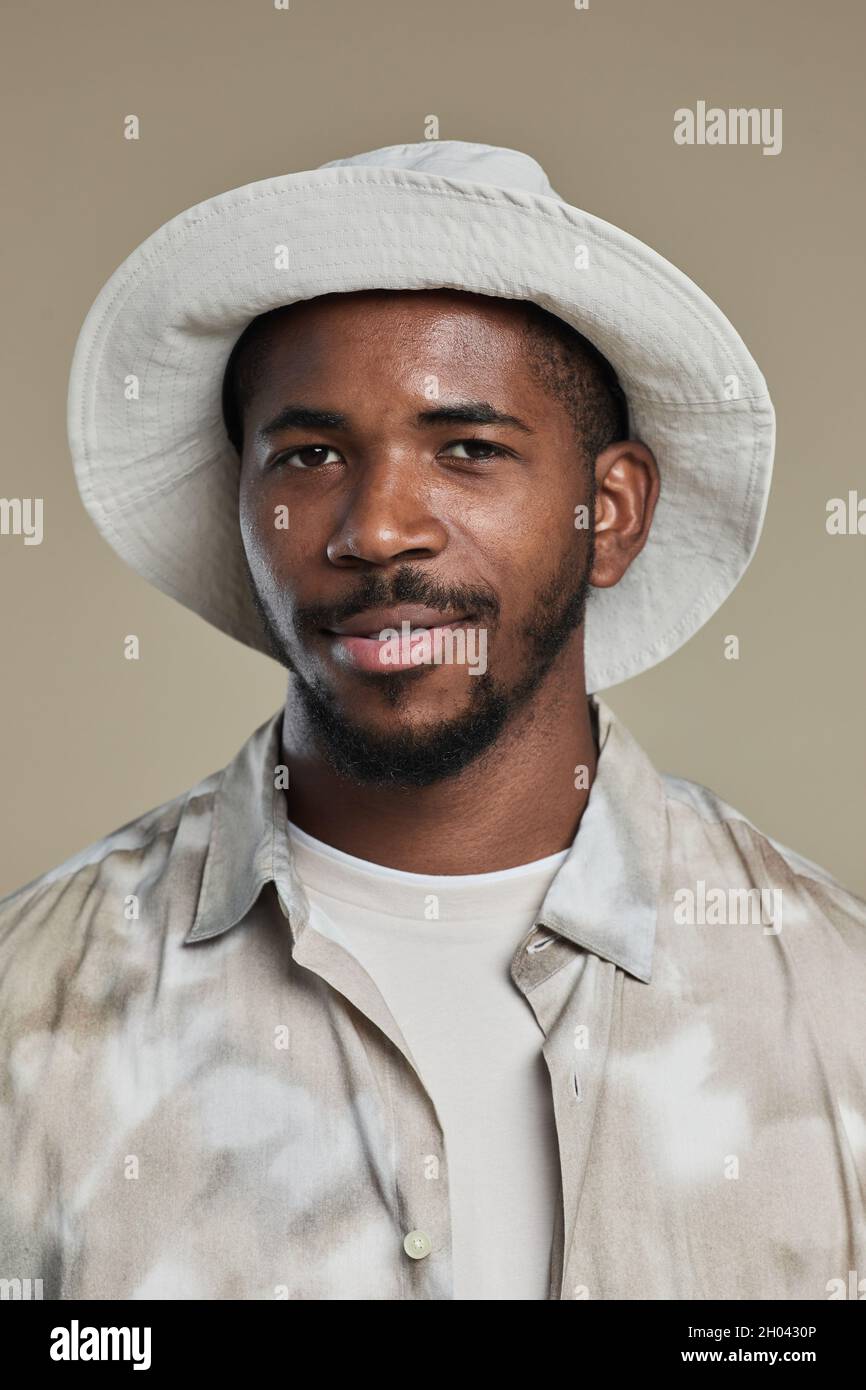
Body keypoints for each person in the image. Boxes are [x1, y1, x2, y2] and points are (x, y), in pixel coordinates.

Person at [1, 141, 863, 1301]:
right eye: (310, 454)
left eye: (466, 450)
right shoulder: (30, 1008)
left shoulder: (833, 1007)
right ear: (243, 503)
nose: (378, 527)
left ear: (606, 513)